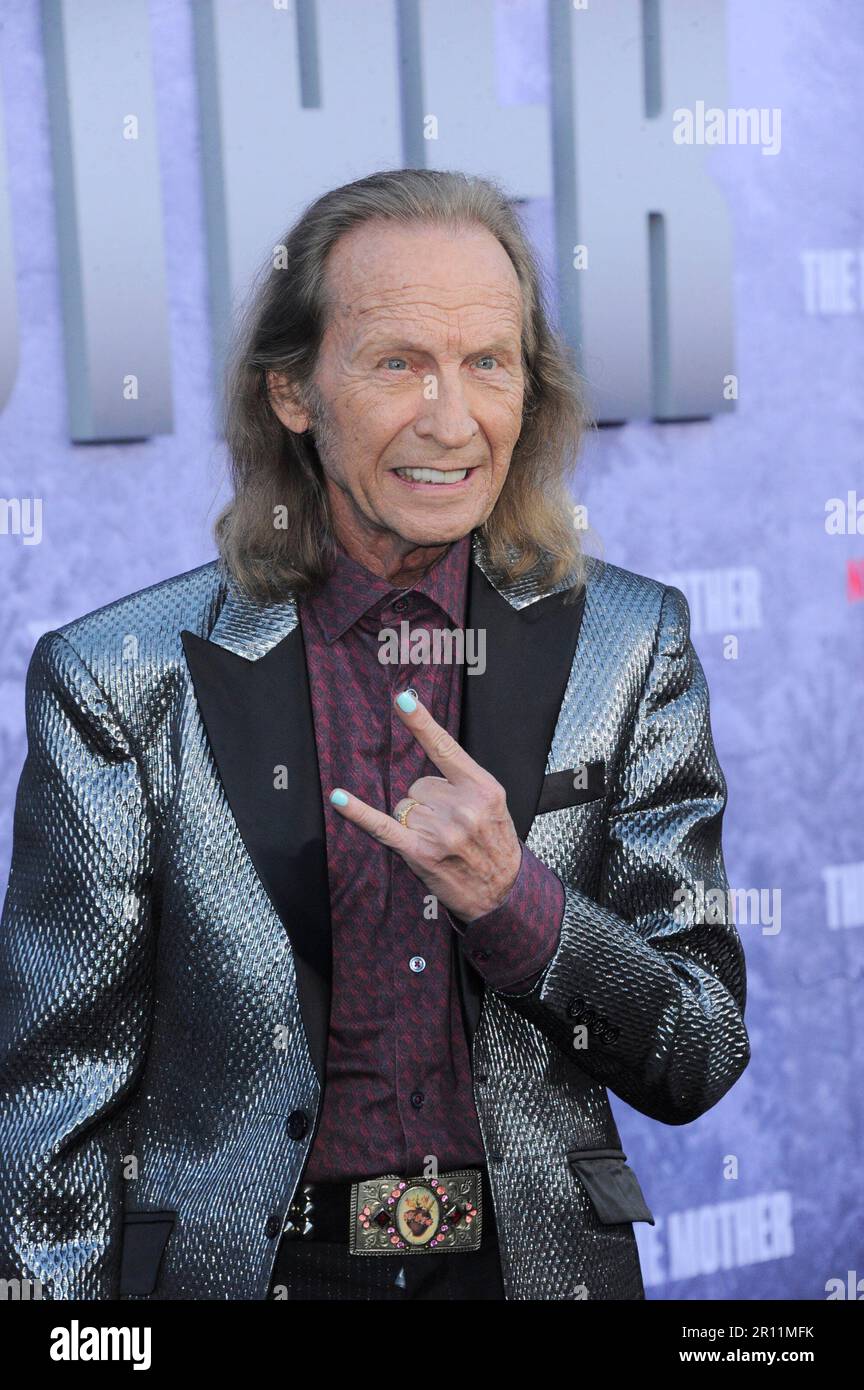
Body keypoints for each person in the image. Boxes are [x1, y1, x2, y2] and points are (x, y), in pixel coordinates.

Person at [0, 169, 749, 1301]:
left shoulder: (630, 644)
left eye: (488, 363)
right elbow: (51, 1107)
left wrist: (518, 903)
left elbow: (696, 1053)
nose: (453, 420)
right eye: (398, 362)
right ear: (293, 392)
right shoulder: (119, 676)